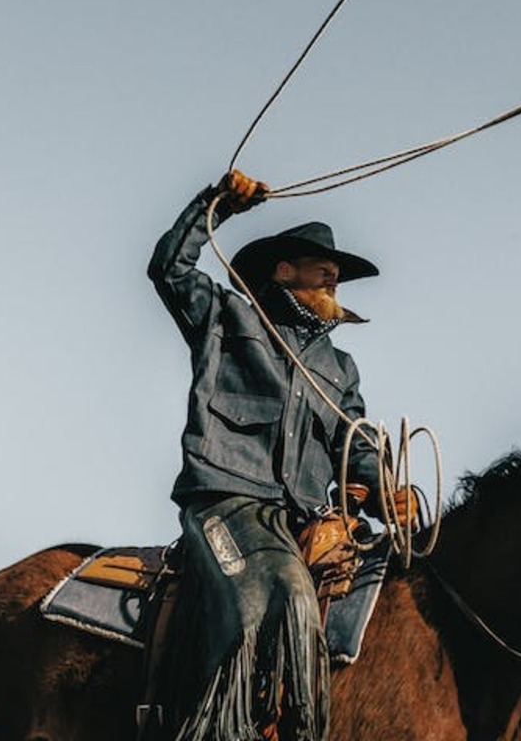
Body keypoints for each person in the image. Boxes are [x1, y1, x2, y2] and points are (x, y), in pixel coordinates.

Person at [146, 170, 399, 741]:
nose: (334, 276)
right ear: (283, 271)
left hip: (300, 519)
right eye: (321, 267)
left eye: (337, 274)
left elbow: (356, 447)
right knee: (272, 593)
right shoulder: (225, 317)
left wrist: (390, 494)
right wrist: (216, 205)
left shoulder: (340, 368)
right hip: (226, 502)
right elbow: (169, 269)